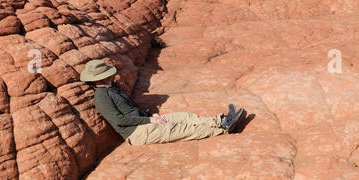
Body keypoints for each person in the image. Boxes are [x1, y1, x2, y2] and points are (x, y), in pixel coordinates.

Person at [78, 60, 250, 144]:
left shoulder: (113, 88)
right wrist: (149, 120)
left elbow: (130, 110)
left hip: (142, 123)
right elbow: (119, 120)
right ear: (98, 78)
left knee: (183, 116)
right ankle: (222, 130)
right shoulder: (101, 97)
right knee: (177, 128)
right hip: (135, 133)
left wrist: (148, 115)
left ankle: (220, 120)